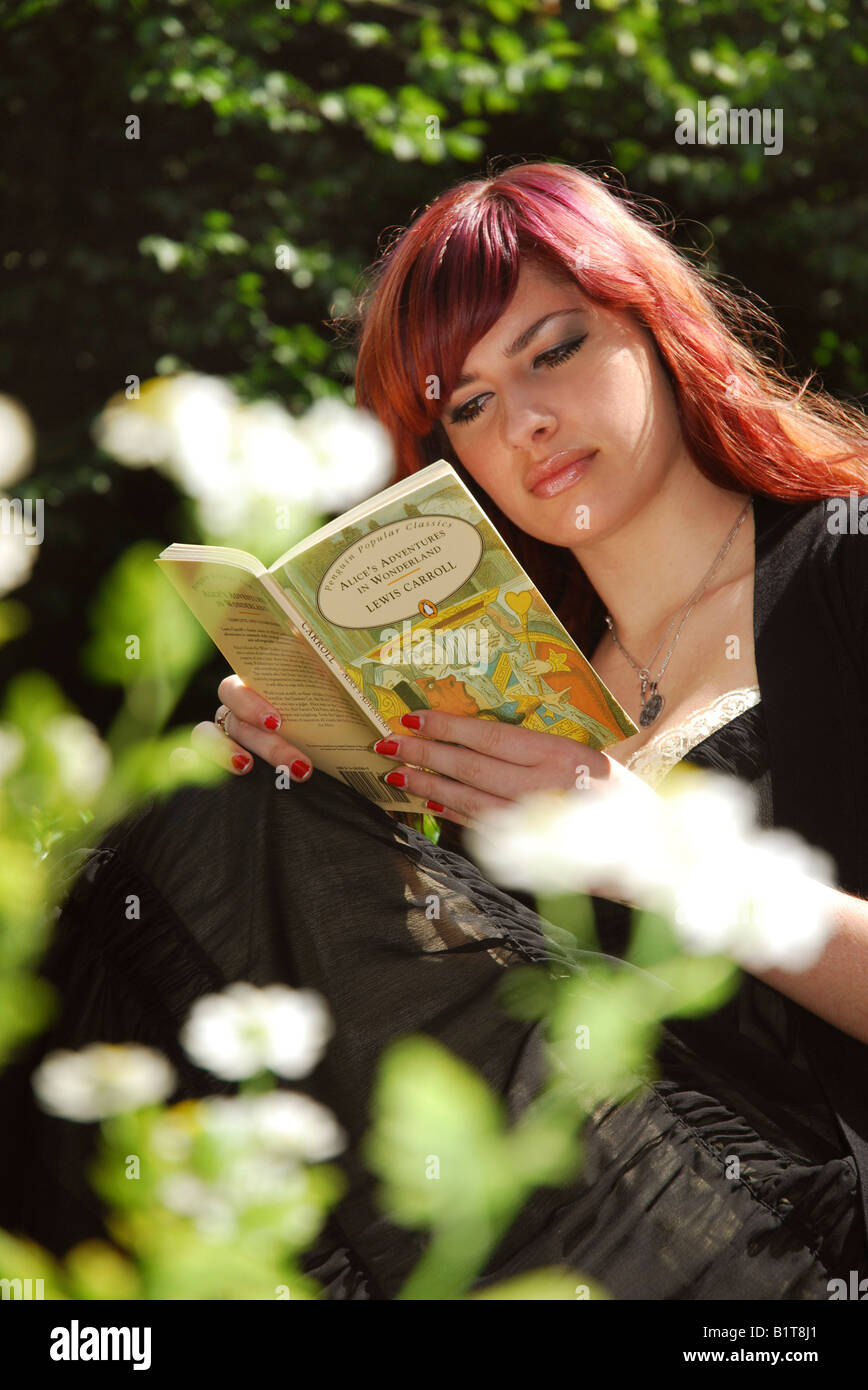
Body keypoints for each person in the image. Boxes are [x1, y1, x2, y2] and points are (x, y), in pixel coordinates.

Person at [5, 161, 868, 1299]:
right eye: (466, 404)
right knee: (213, 812)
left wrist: (655, 853)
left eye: (552, 349)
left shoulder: (843, 572)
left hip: (811, 1234)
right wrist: (309, 762)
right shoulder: (489, 689)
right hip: (566, 1213)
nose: (526, 422)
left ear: (657, 328)